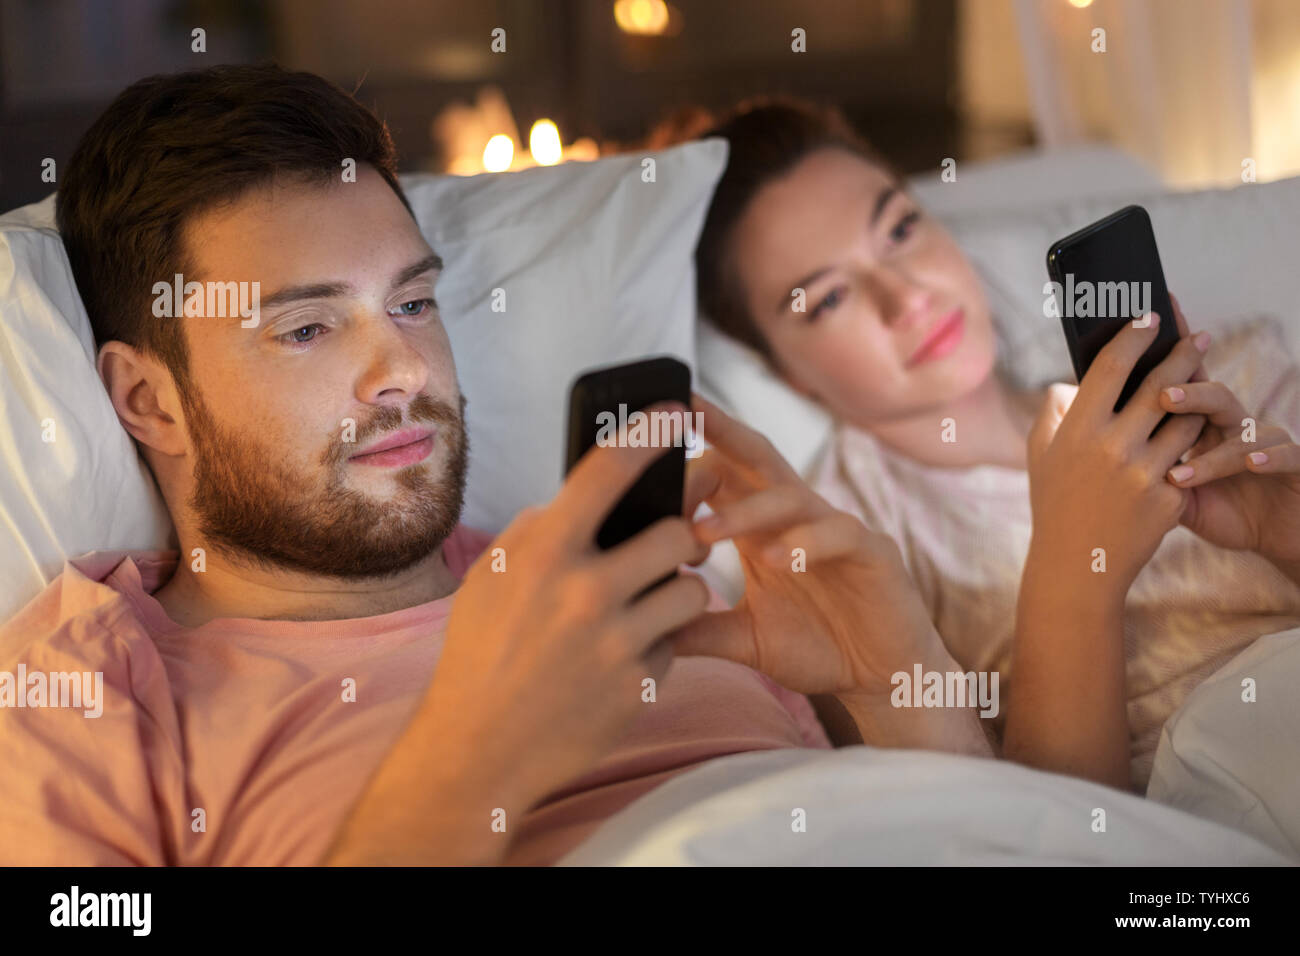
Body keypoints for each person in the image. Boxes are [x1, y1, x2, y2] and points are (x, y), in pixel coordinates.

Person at [0, 65, 992, 867]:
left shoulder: (619, 589)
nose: (399, 371)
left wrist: (895, 681)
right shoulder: (81, 693)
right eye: (306, 327)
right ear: (146, 399)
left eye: (412, 304)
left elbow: (985, 842)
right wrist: (477, 762)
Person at [682, 95, 1300, 790]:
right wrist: (1074, 572)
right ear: (786, 371)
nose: (904, 295)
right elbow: (1019, 835)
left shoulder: (1233, 373)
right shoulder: (846, 553)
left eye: (899, 230)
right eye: (827, 298)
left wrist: (1284, 528)